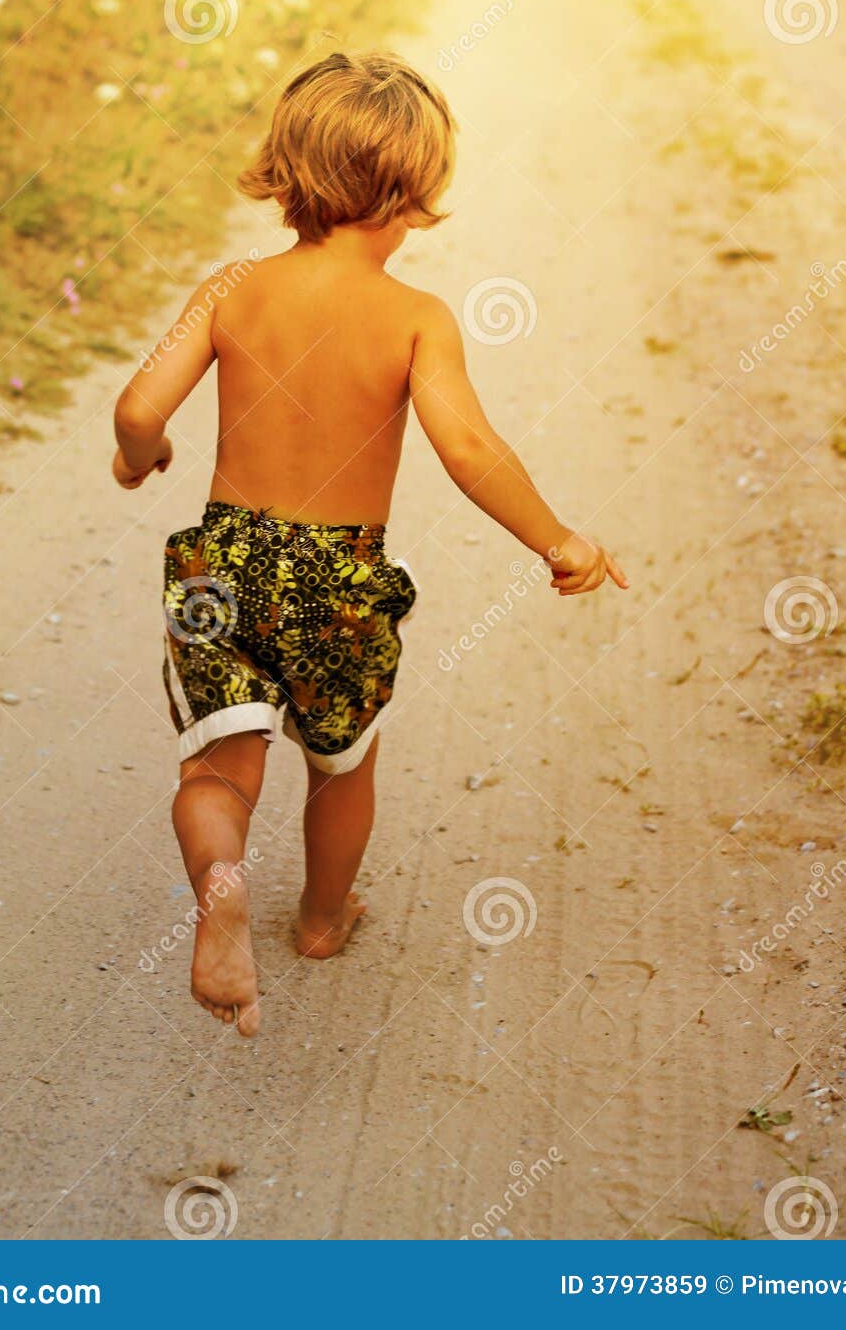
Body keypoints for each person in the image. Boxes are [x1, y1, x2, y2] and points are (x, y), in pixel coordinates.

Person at [112, 51, 628, 1037]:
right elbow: (468, 449)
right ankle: (316, 917)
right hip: (338, 579)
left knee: (217, 773)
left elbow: (137, 404)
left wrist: (142, 457)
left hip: (223, 566)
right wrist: (556, 539)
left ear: (285, 171)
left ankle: (220, 881)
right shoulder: (415, 319)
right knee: (342, 767)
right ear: (412, 193)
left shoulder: (230, 288)